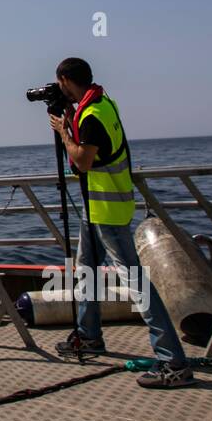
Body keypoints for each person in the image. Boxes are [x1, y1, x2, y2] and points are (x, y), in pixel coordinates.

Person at [47, 57, 195, 388]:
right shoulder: (101, 104)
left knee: (135, 281)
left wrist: (63, 133)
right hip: (98, 207)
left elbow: (83, 161)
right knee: (86, 268)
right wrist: (71, 122)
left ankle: (173, 361)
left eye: (59, 85)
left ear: (66, 80)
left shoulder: (92, 116)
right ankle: (88, 335)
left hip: (107, 212)